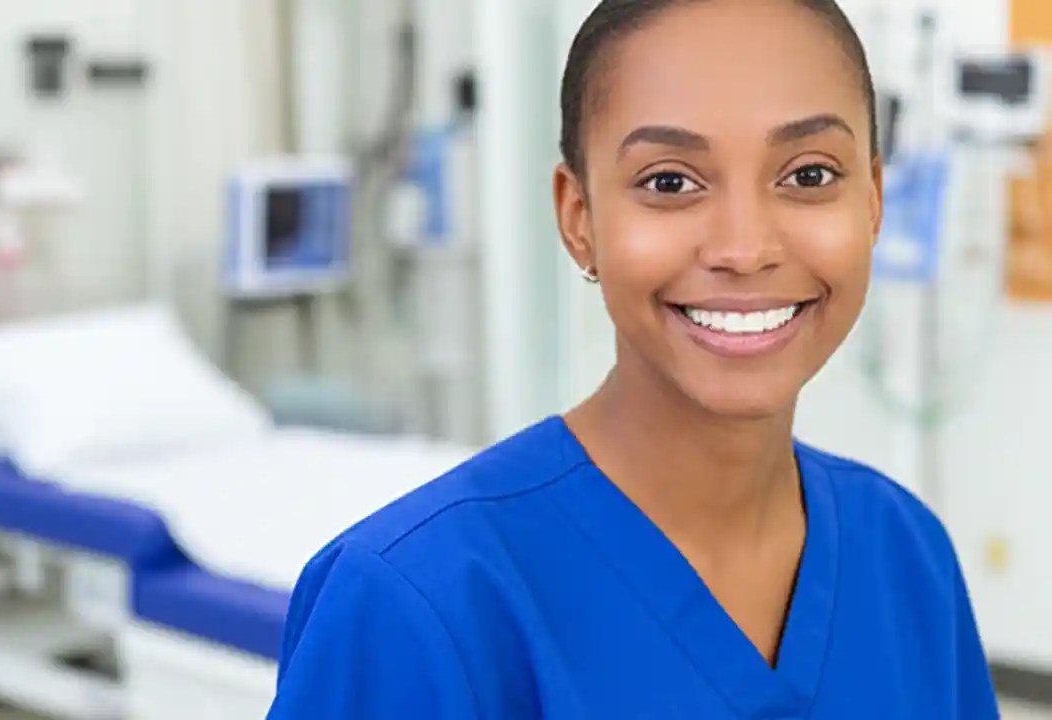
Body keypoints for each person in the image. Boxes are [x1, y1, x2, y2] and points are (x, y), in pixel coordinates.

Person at [268, 0, 999, 717]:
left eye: (808, 175)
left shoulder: (905, 554)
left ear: (873, 200)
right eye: (669, 182)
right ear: (578, 218)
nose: (745, 249)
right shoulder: (414, 606)